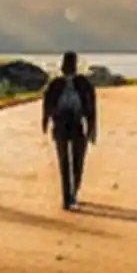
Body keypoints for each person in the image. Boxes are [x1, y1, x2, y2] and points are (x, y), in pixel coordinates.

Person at [41, 51, 97, 210]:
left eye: (71, 64)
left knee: (78, 162)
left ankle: (73, 192)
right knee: (64, 162)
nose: (68, 67)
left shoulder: (83, 84)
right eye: (66, 64)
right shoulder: (55, 84)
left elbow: (91, 106)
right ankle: (67, 197)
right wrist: (45, 120)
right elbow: (47, 103)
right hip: (60, 124)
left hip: (77, 124)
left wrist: (92, 128)